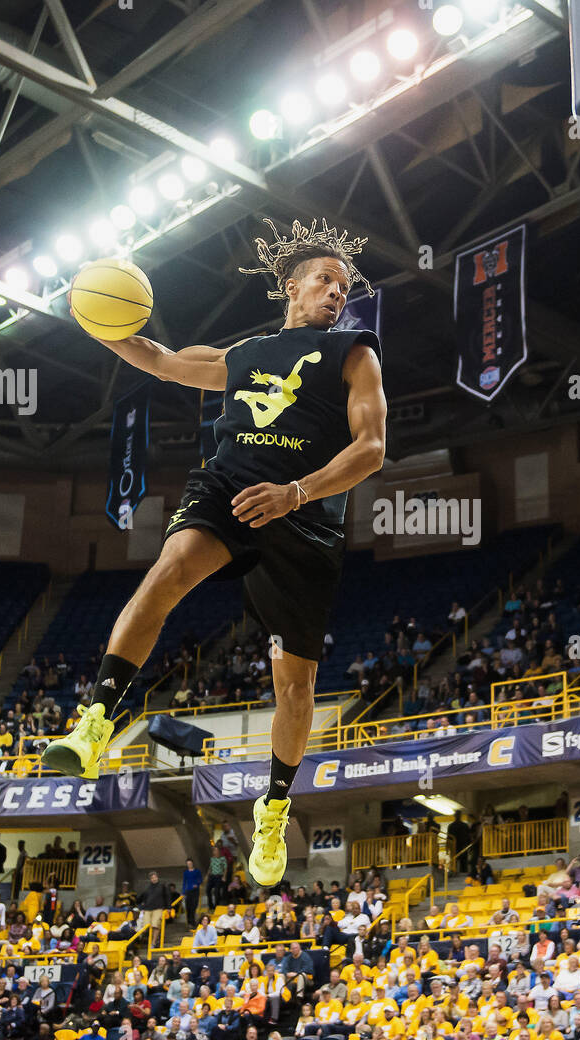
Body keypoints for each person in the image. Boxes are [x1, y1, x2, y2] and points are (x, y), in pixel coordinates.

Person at [40, 217, 387, 891]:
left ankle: (275, 802)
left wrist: (295, 492)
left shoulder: (355, 354)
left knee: (296, 687)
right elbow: (161, 360)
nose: (336, 293)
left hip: (304, 513)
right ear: (293, 287)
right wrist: (95, 317)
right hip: (229, 484)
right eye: (325, 280)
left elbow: (370, 450)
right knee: (166, 573)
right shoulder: (247, 354)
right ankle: (95, 722)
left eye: (343, 286)